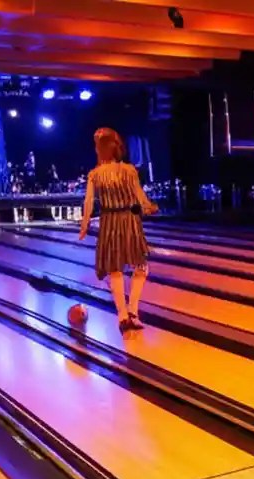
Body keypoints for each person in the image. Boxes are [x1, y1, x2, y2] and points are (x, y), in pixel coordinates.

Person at [79, 127, 158, 332]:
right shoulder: (129, 170)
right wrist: (150, 207)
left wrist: (85, 224)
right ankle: (133, 311)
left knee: (115, 270)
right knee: (141, 267)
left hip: (109, 221)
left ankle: (123, 316)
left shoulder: (95, 174)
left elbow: (88, 202)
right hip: (129, 220)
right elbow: (140, 198)